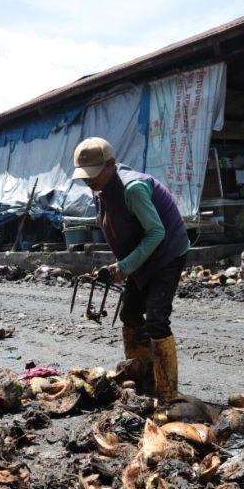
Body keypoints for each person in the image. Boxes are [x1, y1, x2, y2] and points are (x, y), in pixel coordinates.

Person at [73, 137, 190, 402]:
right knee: (130, 313)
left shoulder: (132, 188)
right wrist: (121, 265)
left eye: (93, 175)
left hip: (167, 252)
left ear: (111, 164)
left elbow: (156, 232)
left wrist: (126, 266)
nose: (88, 181)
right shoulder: (101, 191)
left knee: (157, 319)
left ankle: (168, 390)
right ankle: (141, 375)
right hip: (142, 254)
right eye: (84, 177)